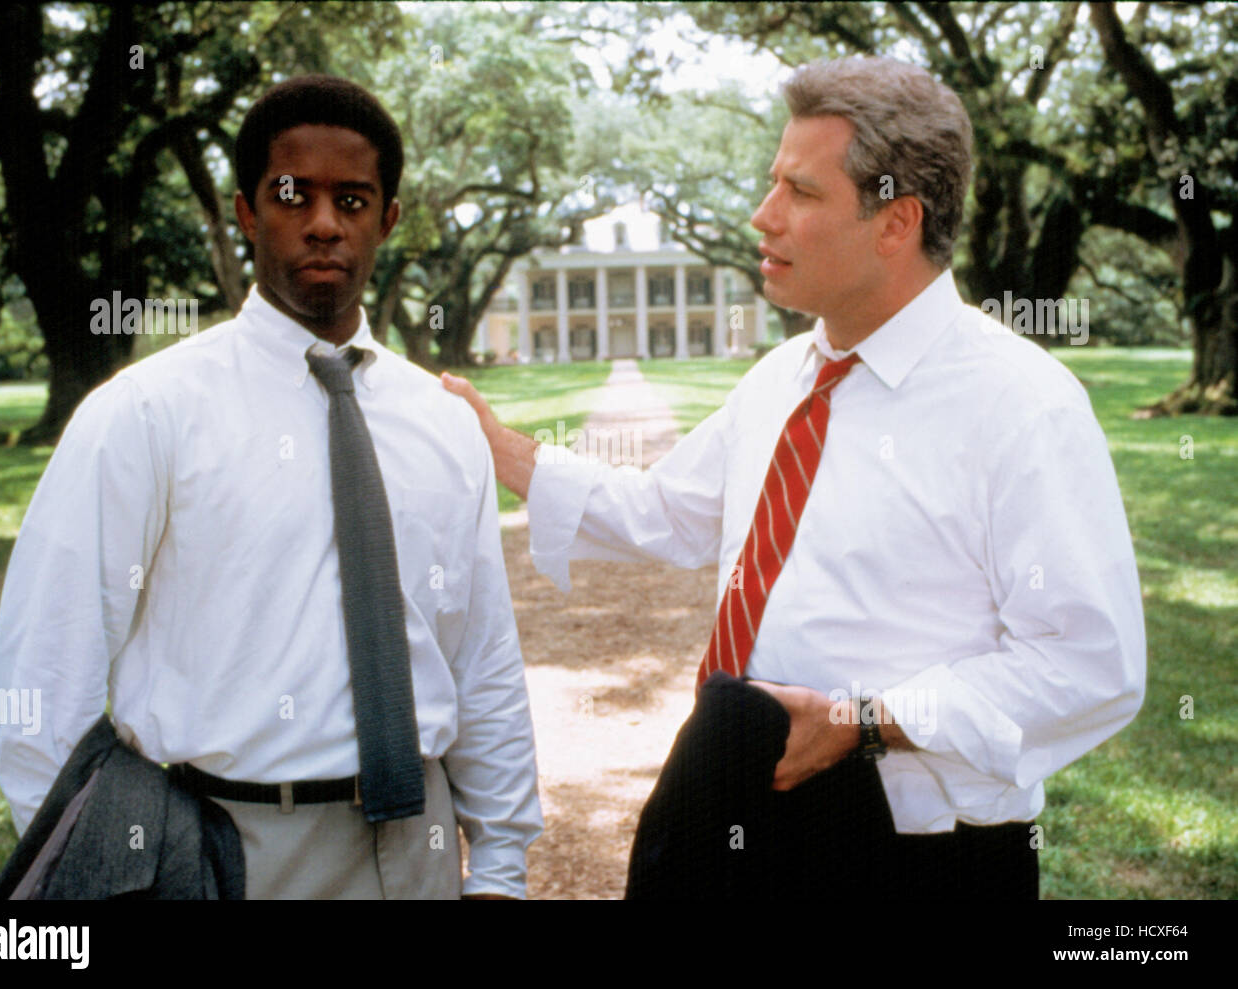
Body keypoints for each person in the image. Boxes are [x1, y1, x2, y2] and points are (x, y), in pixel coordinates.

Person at [442, 56, 1146, 898]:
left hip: (914, 859)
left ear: (897, 221)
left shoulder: (1022, 404)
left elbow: (1090, 663)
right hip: (740, 801)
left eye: (801, 192)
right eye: (774, 182)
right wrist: (503, 450)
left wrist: (865, 723)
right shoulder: (782, 377)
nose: (763, 214)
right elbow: (668, 511)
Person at [0, 74, 541, 900]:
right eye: (292, 196)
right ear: (248, 213)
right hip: (217, 850)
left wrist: (499, 865)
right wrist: (93, 870)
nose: (324, 223)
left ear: (387, 220)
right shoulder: (147, 412)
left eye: (351, 200)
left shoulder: (442, 422)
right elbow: (47, 661)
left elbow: (482, 656)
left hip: (417, 848)